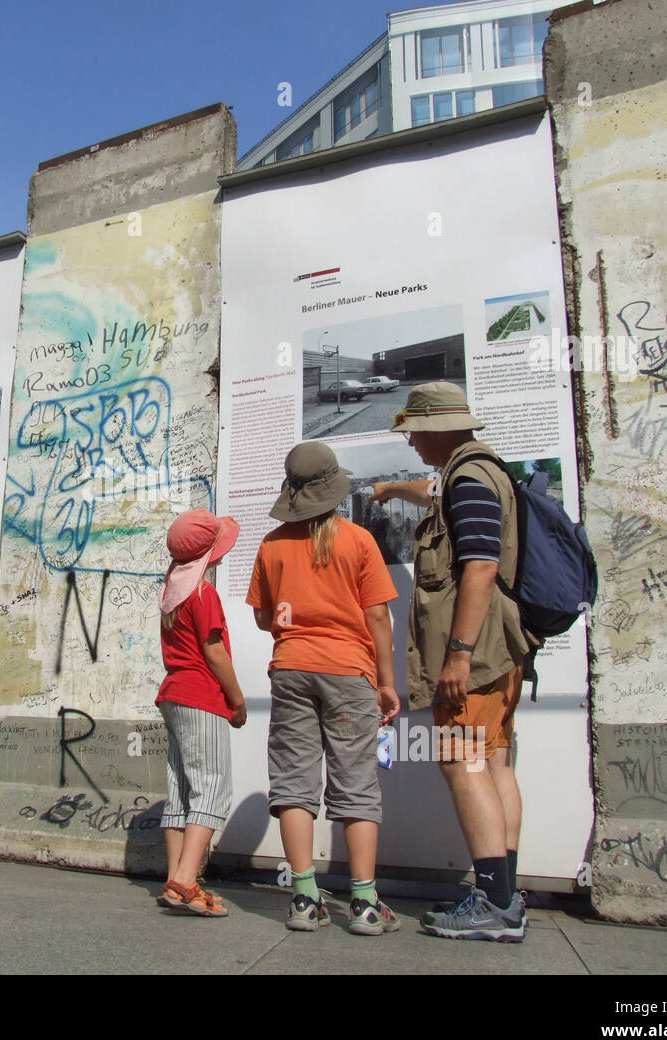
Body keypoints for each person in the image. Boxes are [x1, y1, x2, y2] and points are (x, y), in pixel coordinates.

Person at [372, 380, 530, 943]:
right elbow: (434, 495)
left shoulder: (467, 480)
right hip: (499, 656)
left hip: (474, 659)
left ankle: (494, 902)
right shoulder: (476, 473)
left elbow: (480, 567)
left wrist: (458, 656)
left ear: (437, 427)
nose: (412, 441)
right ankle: (507, 894)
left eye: (414, 431)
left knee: (462, 762)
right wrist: (394, 487)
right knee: (494, 763)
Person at [246, 442, 401, 935]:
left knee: (294, 783)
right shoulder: (358, 541)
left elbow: (264, 617)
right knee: (355, 781)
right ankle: (365, 905)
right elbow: (378, 615)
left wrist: (297, 621)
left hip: (291, 668)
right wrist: (386, 682)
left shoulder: (272, 545)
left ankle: (305, 900)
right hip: (350, 672)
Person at [155, 508, 247, 917]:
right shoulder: (203, 593)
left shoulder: (172, 589)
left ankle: (175, 879)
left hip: (173, 694)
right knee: (211, 787)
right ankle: (187, 882)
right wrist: (238, 699)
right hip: (201, 697)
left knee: (180, 791)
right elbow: (214, 652)